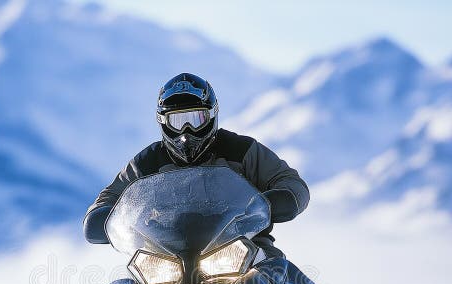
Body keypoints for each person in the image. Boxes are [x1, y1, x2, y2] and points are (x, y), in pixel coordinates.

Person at [83, 73, 309, 258]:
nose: (186, 131)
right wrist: (103, 219)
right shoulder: (146, 163)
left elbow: (291, 182)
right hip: (164, 259)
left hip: (243, 248)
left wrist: (275, 201)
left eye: (196, 119)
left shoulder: (242, 150)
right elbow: (108, 199)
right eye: (178, 121)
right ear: (163, 122)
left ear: (211, 116)